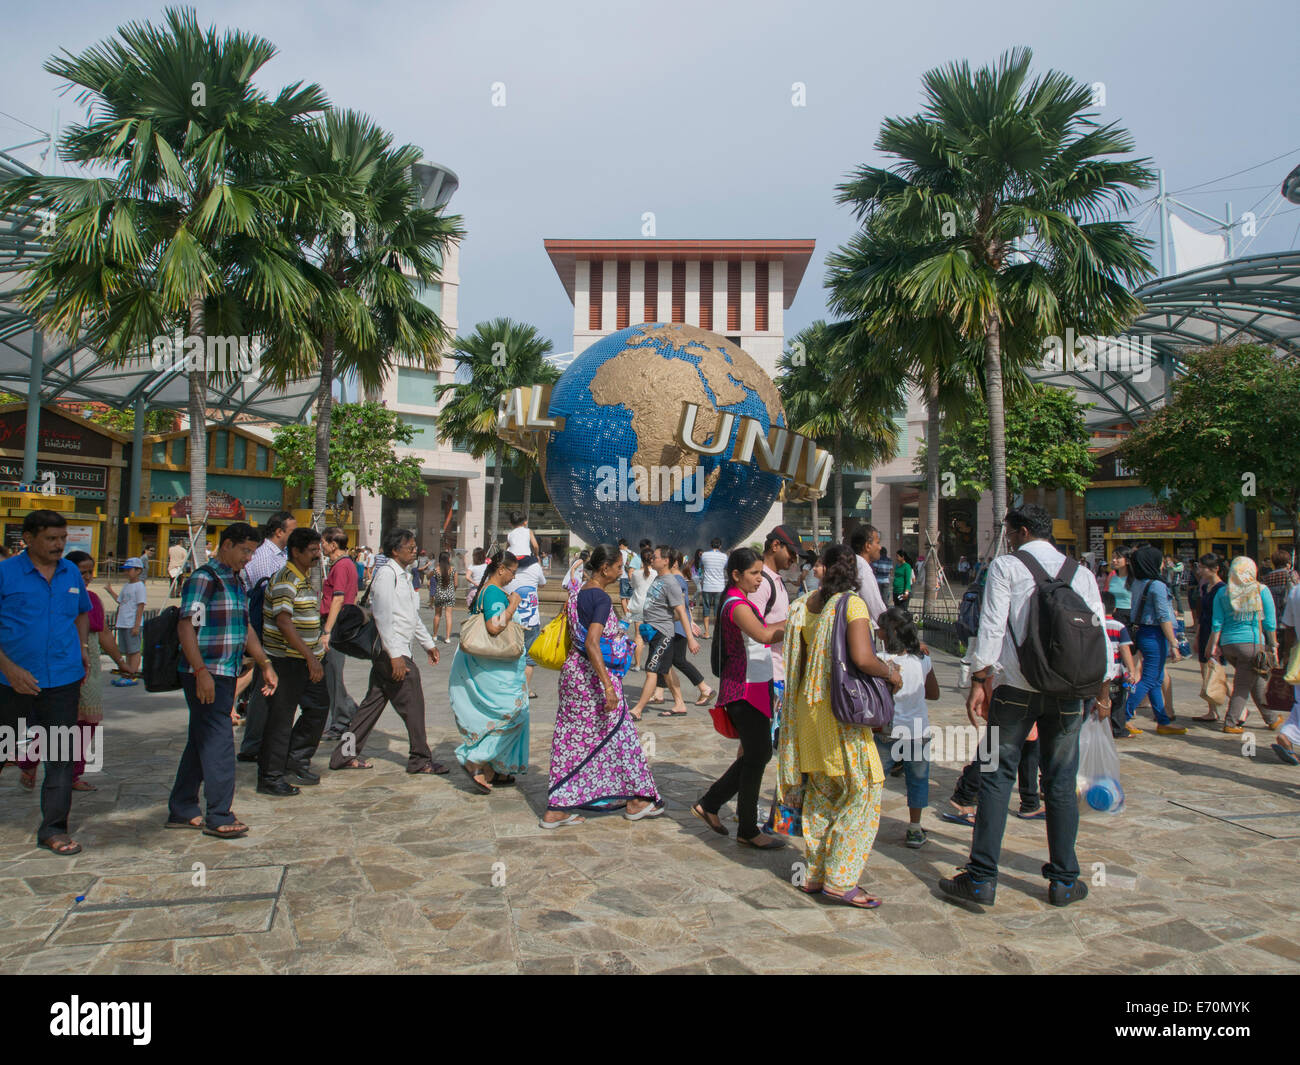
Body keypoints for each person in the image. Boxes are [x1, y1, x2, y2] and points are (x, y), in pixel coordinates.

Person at [939, 504, 1112, 908]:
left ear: (1019, 530)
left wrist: (979, 680)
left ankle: (981, 878)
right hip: (1070, 693)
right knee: (1061, 782)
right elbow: (1099, 633)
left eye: (1010, 531)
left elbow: (992, 626)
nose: (1009, 538)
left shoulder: (1007, 567)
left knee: (998, 776)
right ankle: (1064, 880)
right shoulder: (1080, 572)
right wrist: (1102, 691)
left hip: (1017, 688)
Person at [774, 543, 899, 903]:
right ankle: (841, 878)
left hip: (806, 710)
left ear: (827, 568)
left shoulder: (805, 606)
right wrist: (890, 670)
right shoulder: (851, 604)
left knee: (822, 792)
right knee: (866, 787)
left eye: (817, 564)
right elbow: (861, 657)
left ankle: (814, 873)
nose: (812, 569)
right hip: (838, 713)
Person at [168, 522, 279, 839]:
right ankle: (219, 813)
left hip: (227, 671)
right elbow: (187, 626)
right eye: (245, 550)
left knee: (202, 738)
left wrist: (264, 663)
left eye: (252, 552)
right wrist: (201, 671)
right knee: (218, 740)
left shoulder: (236, 581)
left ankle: (182, 806)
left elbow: (245, 629)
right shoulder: (205, 578)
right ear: (226, 545)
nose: (248, 558)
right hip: (205, 672)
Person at [542, 543, 662, 827]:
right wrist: (608, 686)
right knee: (623, 735)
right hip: (593, 680)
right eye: (619, 567)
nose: (622, 573)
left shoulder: (575, 594)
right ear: (604, 568)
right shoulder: (600, 599)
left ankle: (558, 805)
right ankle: (638, 798)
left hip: (573, 676)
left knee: (571, 739)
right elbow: (591, 642)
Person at [0, 511, 94, 855]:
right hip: (11, 683)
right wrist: (9, 669)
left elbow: (82, 611)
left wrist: (82, 647)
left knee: (60, 755)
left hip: (63, 679)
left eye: (62, 538)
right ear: (27, 539)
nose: (59, 545)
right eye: (51, 538)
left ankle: (54, 829)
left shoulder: (71, 572)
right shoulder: (5, 572)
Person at [328, 528, 446, 774]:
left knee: (371, 705)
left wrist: (428, 644)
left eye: (415, 547)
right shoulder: (385, 574)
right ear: (395, 550)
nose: (414, 551)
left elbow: (410, 617)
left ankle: (343, 755)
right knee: (413, 704)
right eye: (410, 548)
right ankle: (420, 758)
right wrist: (394, 656)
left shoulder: (404, 575)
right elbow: (382, 617)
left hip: (399, 648)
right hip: (392, 651)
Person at [693, 547, 789, 849]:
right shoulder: (736, 604)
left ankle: (712, 804)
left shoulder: (741, 601)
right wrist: (799, 622)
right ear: (736, 575)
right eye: (755, 573)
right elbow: (763, 635)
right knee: (758, 755)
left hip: (754, 688)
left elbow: (764, 633)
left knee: (756, 755)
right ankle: (746, 827)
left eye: (761, 573)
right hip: (744, 691)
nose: (760, 579)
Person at [17, 551, 129, 793]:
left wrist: (121, 662)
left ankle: (73, 774)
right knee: (52, 723)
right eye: (82, 572)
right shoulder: (54, 597)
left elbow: (104, 634)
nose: (87, 576)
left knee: (86, 723)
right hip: (58, 667)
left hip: (89, 667)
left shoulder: (92, 599)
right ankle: (29, 762)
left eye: (90, 571)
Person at [450, 550, 529, 792]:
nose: (513, 578)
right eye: (512, 573)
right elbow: (494, 626)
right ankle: (476, 760)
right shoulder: (494, 592)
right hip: (491, 667)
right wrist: (514, 604)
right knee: (513, 713)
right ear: (501, 569)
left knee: (498, 715)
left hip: (483, 664)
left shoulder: (486, 590)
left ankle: (497, 769)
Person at [259, 527, 329, 796]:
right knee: (280, 718)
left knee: (318, 707)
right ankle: (270, 775)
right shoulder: (285, 579)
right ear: (296, 552)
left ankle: (296, 759)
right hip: (287, 662)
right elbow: (284, 621)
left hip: (309, 660)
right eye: (311, 551)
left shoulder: (304, 578)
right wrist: (309, 656)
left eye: (317, 549)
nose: (317, 555)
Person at [236, 511, 297, 762]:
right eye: (292, 530)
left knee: (271, 685)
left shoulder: (282, 556)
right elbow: (270, 597)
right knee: (264, 686)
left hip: (277, 630)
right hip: (265, 629)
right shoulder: (263, 557)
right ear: (279, 531)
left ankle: (263, 741)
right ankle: (254, 744)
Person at [877, 607, 939, 848]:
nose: (878, 631)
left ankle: (866, 822)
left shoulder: (881, 661)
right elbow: (933, 694)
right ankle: (915, 828)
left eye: (881, 627)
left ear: (890, 633)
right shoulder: (923, 659)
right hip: (918, 731)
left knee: (874, 780)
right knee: (918, 781)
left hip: (887, 731)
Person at [1206, 555, 1280, 734]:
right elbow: (1270, 623)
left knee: (1255, 681)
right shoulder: (1260, 590)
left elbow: (1217, 622)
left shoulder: (1223, 592)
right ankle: (1231, 722)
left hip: (1229, 645)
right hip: (1252, 644)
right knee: (1243, 685)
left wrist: (1213, 646)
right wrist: (1273, 646)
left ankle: (1272, 718)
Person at [629, 546, 699, 720]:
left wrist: (690, 638)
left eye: (656, 557)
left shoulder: (671, 582)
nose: (652, 559)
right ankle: (680, 704)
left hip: (663, 634)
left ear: (666, 561)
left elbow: (681, 611)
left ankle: (637, 710)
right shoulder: (658, 578)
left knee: (651, 670)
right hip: (654, 631)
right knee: (665, 670)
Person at [1121, 545, 1185, 735]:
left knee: (1155, 679)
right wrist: (1174, 643)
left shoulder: (1139, 583)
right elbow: (1163, 617)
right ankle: (1122, 716)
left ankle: (1162, 720)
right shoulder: (1157, 585)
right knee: (1149, 679)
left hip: (1142, 632)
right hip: (1154, 634)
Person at [750, 526, 800, 736]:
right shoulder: (761, 582)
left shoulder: (775, 579)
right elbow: (753, 629)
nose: (794, 560)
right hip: (765, 674)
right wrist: (794, 625)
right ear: (775, 546)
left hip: (777, 672)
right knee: (759, 744)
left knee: (761, 746)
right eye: (792, 553)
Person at [319, 527, 360, 742]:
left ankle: (342, 721)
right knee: (330, 675)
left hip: (335, 626)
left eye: (324, 543)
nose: (322, 547)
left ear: (333, 544)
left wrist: (327, 630)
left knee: (333, 675)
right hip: (334, 624)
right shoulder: (342, 565)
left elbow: (338, 598)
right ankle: (348, 711)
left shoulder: (342, 566)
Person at [668, 548, 713, 708]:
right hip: (679, 624)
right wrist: (692, 621)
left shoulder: (676, 580)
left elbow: (680, 607)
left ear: (673, 563)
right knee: (668, 660)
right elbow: (686, 605)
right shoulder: (677, 578)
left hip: (677, 626)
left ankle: (705, 688)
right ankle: (659, 693)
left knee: (676, 660)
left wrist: (690, 626)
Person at [1192, 553, 1229, 725]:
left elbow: (1221, 618)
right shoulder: (1205, 587)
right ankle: (1212, 710)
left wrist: (1217, 642)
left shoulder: (1222, 589)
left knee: (1218, 673)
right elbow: (1203, 615)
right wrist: (1198, 635)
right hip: (1205, 630)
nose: (1200, 570)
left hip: (1216, 634)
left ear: (1215, 569)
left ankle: (1239, 708)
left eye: (1203, 567)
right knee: (1206, 673)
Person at [506, 551, 547, 698]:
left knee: (510, 656)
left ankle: (510, 688)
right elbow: (543, 584)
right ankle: (525, 691)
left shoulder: (506, 566)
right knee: (529, 659)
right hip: (531, 622)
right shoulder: (535, 566)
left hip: (511, 620)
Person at [1101, 591, 1141, 739]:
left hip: (1099, 672)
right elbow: (1125, 650)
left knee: (1098, 699)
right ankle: (1118, 730)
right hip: (1116, 672)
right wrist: (1131, 670)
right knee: (1118, 702)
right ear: (1115, 609)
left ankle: (1099, 728)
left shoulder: (1095, 623)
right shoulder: (1119, 627)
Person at [104, 557, 147, 684]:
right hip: (122, 622)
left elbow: (141, 606)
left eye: (130, 570)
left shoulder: (140, 586)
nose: (127, 572)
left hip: (131, 623)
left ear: (138, 570)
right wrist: (110, 591)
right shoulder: (127, 586)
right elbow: (120, 600)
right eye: (125, 570)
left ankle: (132, 674)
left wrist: (137, 625)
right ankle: (127, 673)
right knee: (127, 650)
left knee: (134, 650)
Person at [1271, 578, 1300, 764]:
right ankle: (1288, 734)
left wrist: (1288, 655)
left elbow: (1288, 628)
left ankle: (1288, 734)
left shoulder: (1296, 591)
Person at [850, 525, 889, 623]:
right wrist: (889, 626)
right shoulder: (862, 568)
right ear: (868, 546)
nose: (880, 547)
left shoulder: (852, 563)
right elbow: (875, 606)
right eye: (877, 543)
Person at [625, 547, 655, 669]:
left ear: (640, 559)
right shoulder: (656, 573)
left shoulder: (636, 574)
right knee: (654, 635)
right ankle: (653, 664)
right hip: (652, 607)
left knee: (638, 635)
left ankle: (637, 664)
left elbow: (632, 585)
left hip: (638, 605)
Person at [429, 551, 458, 642]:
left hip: (439, 594)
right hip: (450, 594)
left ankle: (434, 635)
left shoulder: (436, 569)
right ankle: (448, 637)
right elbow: (456, 584)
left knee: (437, 615)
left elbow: (428, 576)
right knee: (448, 615)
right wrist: (453, 590)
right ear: (448, 559)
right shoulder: (453, 570)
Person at [1263, 548, 1299, 619]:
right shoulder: (1291, 574)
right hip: (1288, 612)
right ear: (1287, 563)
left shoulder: (1267, 577)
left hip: (1274, 613)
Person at [1107, 546, 1134, 626]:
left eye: (1118, 558)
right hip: (1112, 614)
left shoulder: (1134, 579)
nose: (1114, 560)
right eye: (1113, 557)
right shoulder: (1112, 577)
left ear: (1127, 561)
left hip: (1128, 615)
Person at [1162, 554, 1186, 621]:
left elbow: (1174, 569)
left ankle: (1180, 611)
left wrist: (1170, 564)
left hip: (1176, 583)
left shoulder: (1180, 565)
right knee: (1169, 596)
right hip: (1172, 583)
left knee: (1177, 597)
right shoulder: (1176, 564)